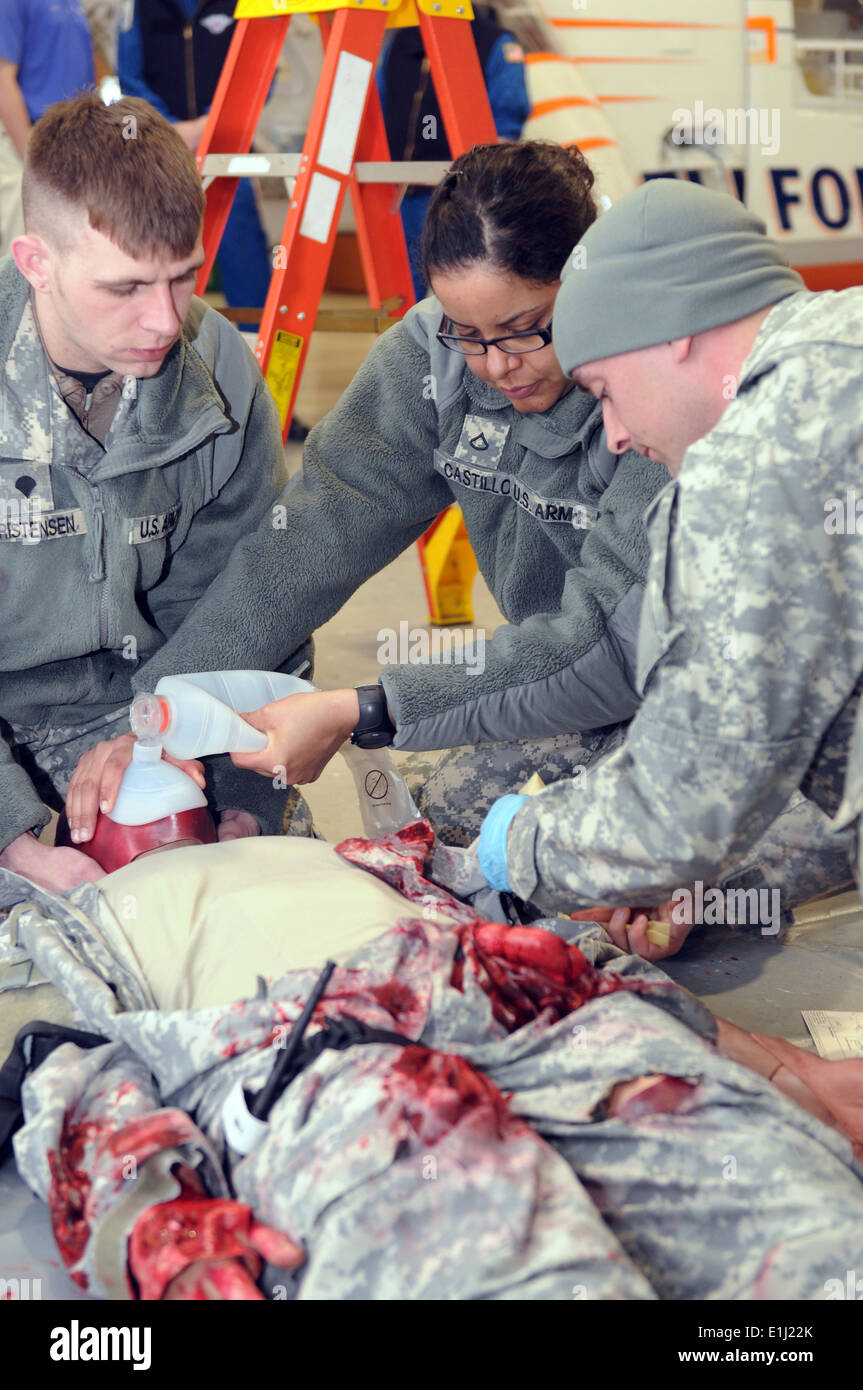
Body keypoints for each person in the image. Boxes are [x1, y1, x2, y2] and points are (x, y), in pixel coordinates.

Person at [67, 141, 855, 932]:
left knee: (645, 870)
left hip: (678, 680)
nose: (492, 367)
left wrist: (373, 715)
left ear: (600, 299)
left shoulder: (719, 423)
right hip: (610, 686)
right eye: (464, 333)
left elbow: (616, 662)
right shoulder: (438, 364)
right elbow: (299, 547)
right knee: (459, 819)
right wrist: (158, 707)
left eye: (523, 331)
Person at [3, 820, 863, 1299]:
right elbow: (59, 1069)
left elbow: (564, 944)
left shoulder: (377, 849)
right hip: (325, 1062)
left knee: (820, 1247)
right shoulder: (73, 918)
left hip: (540, 1019)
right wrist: (151, 1217)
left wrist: (774, 1067)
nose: (178, 809)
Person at [472, 177, 863, 957]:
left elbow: (685, 803)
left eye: (604, 390)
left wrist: (522, 844)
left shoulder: (753, 457)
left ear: (670, 332)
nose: (613, 433)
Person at [0, 93, 314, 897]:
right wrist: (12, 844)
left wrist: (236, 791)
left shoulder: (218, 371)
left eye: (183, 277)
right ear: (36, 262)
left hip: (146, 711)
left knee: (265, 902)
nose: (165, 320)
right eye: (126, 287)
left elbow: (249, 599)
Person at [117, 0, 272, 322]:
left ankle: (254, 344)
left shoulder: (241, 4)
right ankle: (161, 334)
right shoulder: (137, 7)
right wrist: (170, 130)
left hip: (228, 147)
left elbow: (260, 73)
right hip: (159, 151)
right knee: (158, 253)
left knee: (242, 251)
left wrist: (208, 127)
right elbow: (130, 79)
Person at [378, 4, 530, 298]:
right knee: (400, 295)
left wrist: (482, 193)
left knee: (455, 293)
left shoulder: (496, 43)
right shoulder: (399, 42)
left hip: (459, 198)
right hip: (397, 195)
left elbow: (507, 125)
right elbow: (377, 107)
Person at [0, 0, 94, 253]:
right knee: (25, 257)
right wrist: (32, 155)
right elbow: (2, 77)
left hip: (69, 147)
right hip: (24, 145)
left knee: (66, 254)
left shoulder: (73, 5)